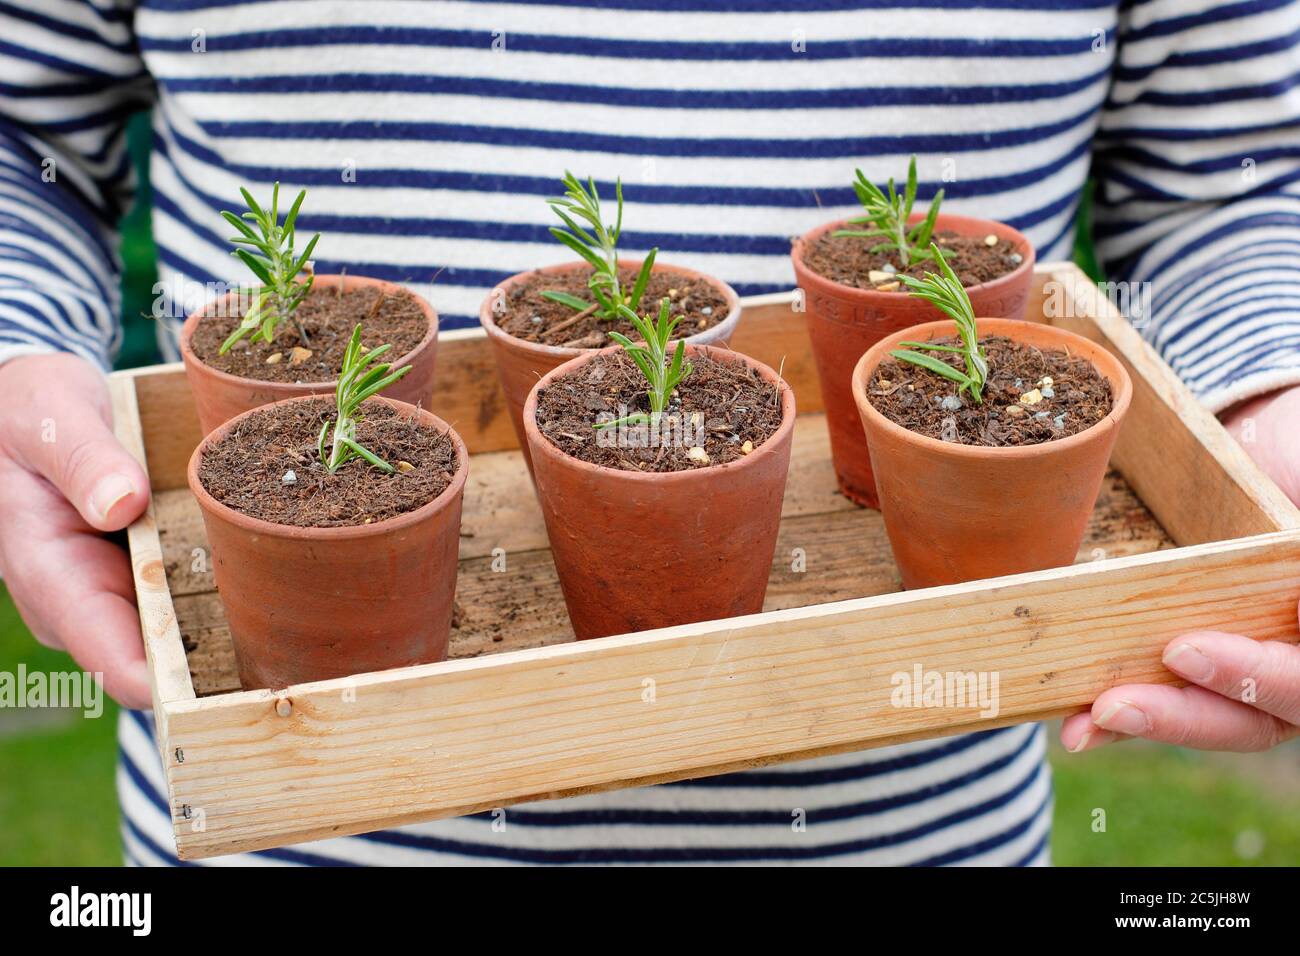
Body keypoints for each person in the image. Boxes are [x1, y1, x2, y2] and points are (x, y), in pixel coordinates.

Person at [1, 0, 1296, 866]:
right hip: (292, 827)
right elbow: (23, 136)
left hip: (914, 811)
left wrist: (1271, 394)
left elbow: (1231, 187)